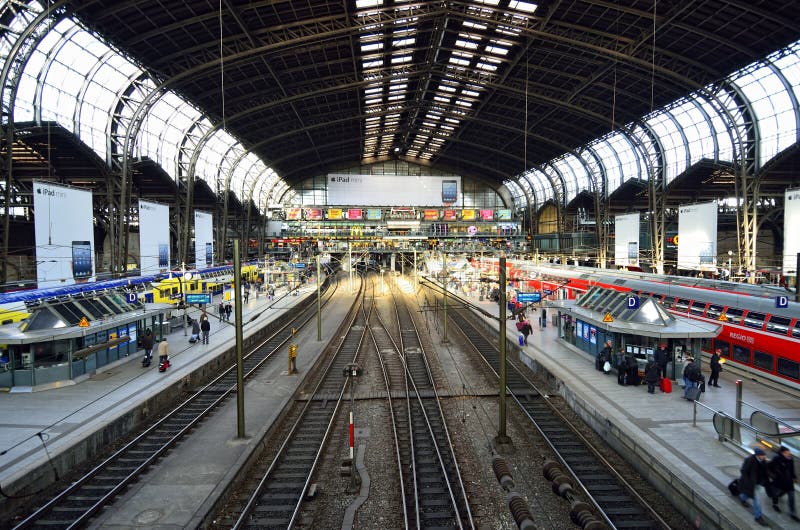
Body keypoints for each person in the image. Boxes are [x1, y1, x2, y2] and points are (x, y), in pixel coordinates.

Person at [739, 448, 770, 526]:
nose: (764, 457)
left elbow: (765, 472)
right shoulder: (749, 460)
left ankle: (742, 498)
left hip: (758, 483)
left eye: (764, 455)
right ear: (758, 455)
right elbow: (743, 471)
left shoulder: (763, 461)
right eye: (762, 455)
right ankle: (758, 517)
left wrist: (767, 481)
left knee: (751, 497)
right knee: (756, 500)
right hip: (750, 483)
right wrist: (748, 482)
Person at [768, 446, 798, 520]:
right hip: (779, 481)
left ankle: (793, 513)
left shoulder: (790, 459)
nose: (789, 454)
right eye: (786, 453)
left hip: (789, 482)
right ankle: (775, 504)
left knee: (791, 497)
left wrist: (794, 477)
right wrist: (773, 476)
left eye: (789, 452)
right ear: (782, 453)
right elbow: (769, 467)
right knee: (776, 494)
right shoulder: (776, 459)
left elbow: (792, 469)